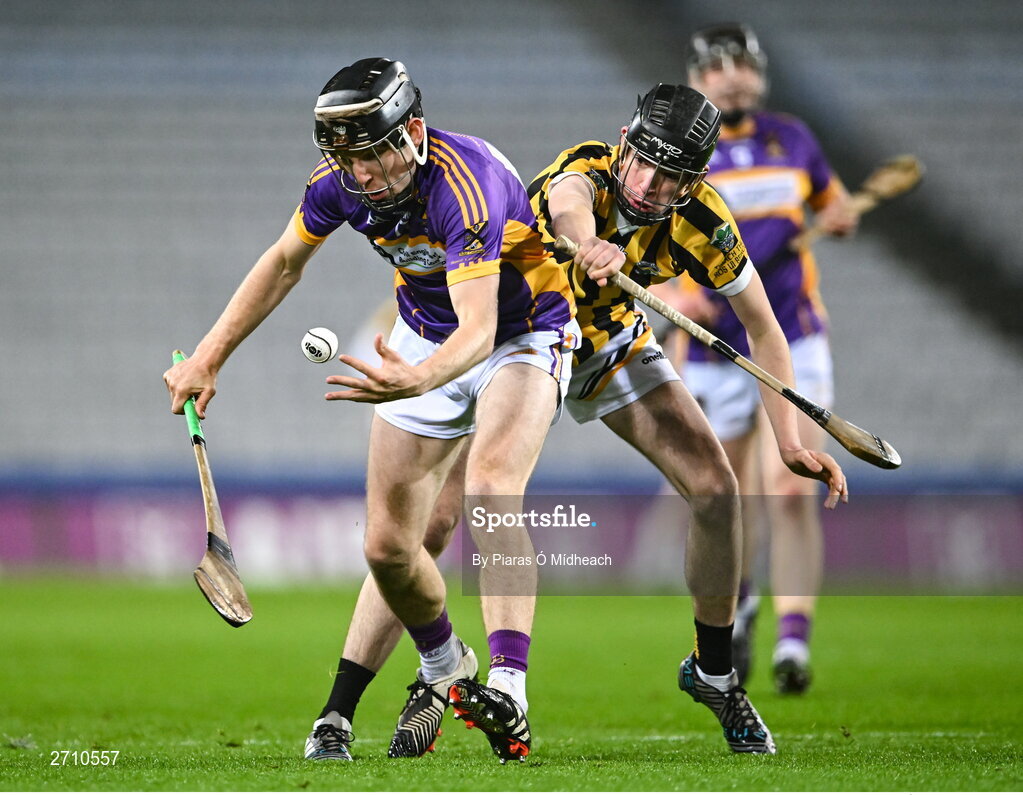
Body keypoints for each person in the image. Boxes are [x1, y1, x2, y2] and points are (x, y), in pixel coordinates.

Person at [316, 82, 849, 759]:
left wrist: (790, 439)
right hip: (516, 336)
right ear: (624, 146)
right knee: (434, 523)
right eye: (644, 163)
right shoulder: (584, 171)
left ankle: (713, 671)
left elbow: (765, 332)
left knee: (716, 488)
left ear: (694, 183)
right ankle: (367, 697)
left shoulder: (706, 223)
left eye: (673, 177)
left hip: (608, 343)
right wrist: (589, 241)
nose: (651, 186)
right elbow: (566, 203)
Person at [162, 57, 579, 764]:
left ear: (411, 129)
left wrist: (416, 380)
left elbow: (479, 331)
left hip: (522, 329)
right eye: (348, 158)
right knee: (388, 546)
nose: (365, 174)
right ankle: (446, 663)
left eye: (377, 152)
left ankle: (507, 688)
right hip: (422, 331)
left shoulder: (463, 185)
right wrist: (208, 356)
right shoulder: (339, 185)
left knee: (489, 487)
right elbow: (283, 262)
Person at [653, 23, 859, 695]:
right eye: (718, 66)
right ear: (696, 76)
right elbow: (644, 243)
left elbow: (832, 205)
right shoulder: (678, 152)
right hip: (713, 352)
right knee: (726, 496)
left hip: (791, 335)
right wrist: (681, 289)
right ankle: (737, 609)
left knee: (789, 489)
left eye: (743, 63)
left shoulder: (792, 139)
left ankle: (792, 642)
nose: (733, 75)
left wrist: (839, 215)